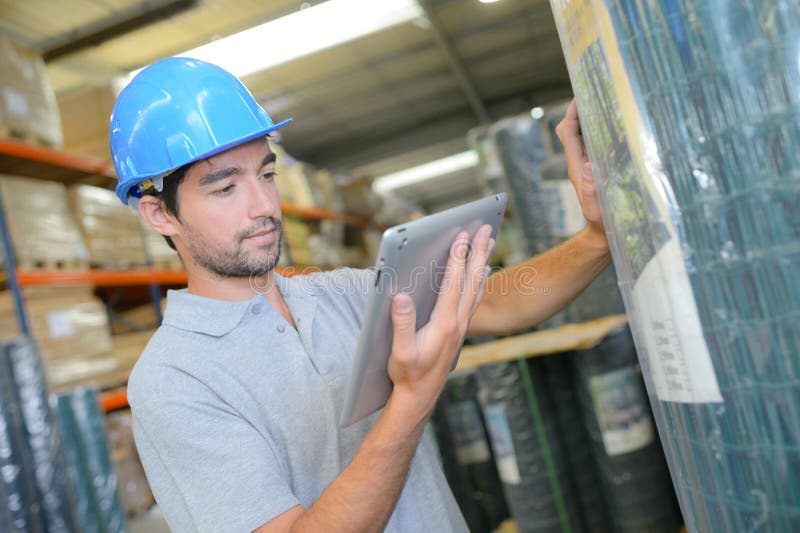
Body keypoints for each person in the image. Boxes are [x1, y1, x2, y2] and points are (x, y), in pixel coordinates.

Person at [112, 57, 609, 533]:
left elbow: (501, 300)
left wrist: (597, 236)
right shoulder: (173, 380)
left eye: (265, 175)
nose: (263, 206)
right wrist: (412, 399)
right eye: (225, 189)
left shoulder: (337, 292)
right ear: (160, 214)